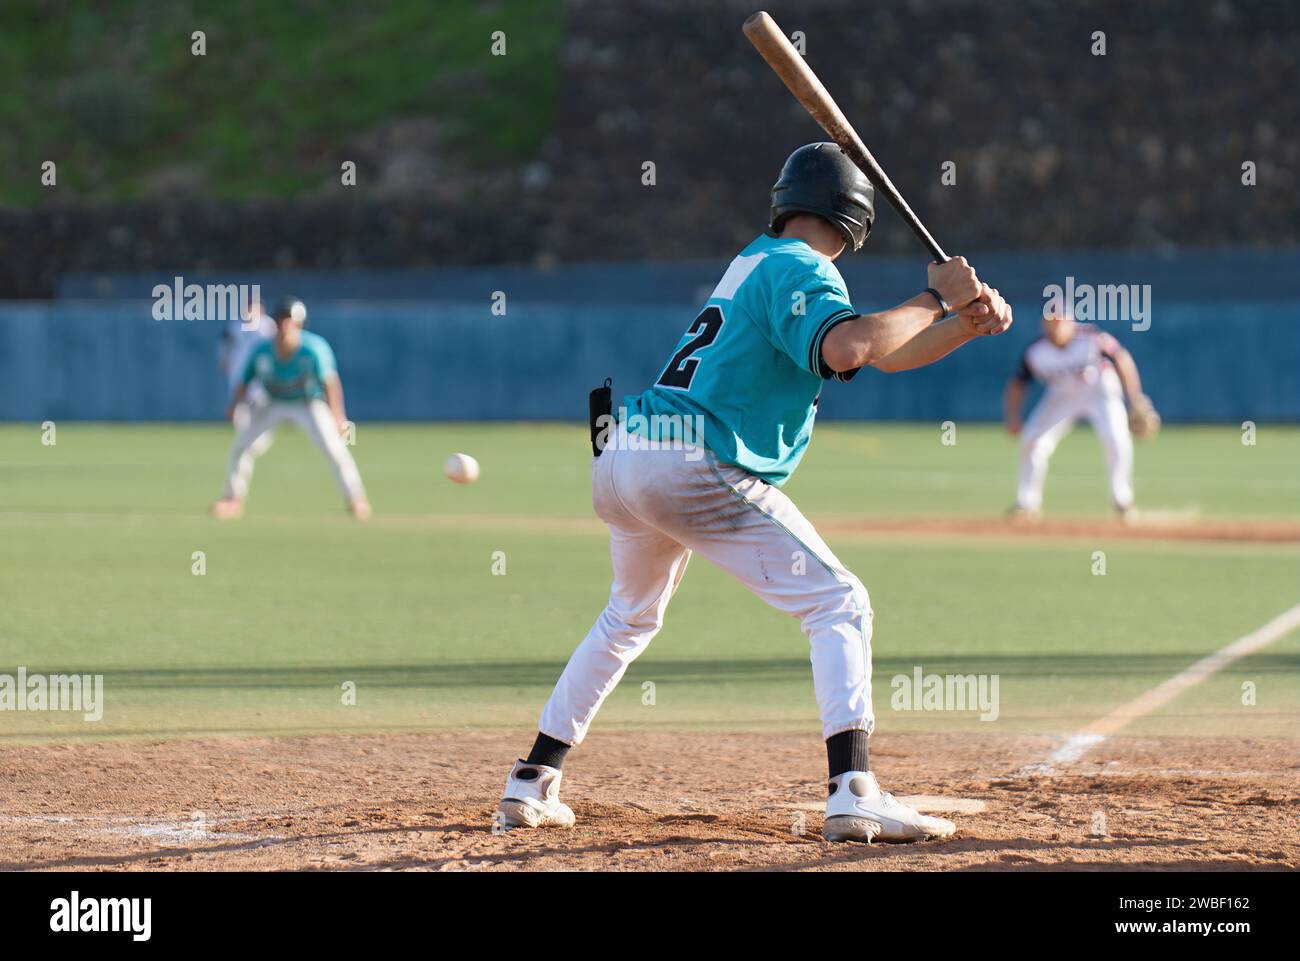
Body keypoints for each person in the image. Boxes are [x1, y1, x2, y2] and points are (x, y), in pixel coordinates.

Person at [496, 143, 1013, 844]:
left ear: (786, 199)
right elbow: (846, 349)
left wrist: (958, 323)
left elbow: (879, 350)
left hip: (625, 455)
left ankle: (531, 780)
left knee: (629, 616)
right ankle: (853, 789)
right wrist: (933, 296)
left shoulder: (761, 262)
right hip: (686, 460)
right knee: (839, 600)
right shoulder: (799, 267)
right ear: (856, 218)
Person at [212, 297, 371, 520]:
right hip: (273, 402)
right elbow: (245, 380)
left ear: (299, 324)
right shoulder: (262, 351)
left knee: (334, 448)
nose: (286, 325)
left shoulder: (313, 348)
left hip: (307, 403)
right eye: (282, 320)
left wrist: (338, 416)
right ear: (275, 323)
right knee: (241, 447)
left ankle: (356, 499)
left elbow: (330, 383)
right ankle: (232, 499)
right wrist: (234, 406)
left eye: (292, 321)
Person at [1004, 300, 1159, 521]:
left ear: (1070, 321)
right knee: (1032, 441)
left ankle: (1122, 501)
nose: (1054, 327)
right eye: (1049, 322)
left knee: (1116, 438)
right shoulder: (1036, 351)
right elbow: (1017, 383)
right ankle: (1027, 504)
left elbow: (1122, 360)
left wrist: (1135, 399)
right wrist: (1012, 416)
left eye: (1059, 322)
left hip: (1101, 393)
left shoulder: (1092, 338)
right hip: (1062, 398)